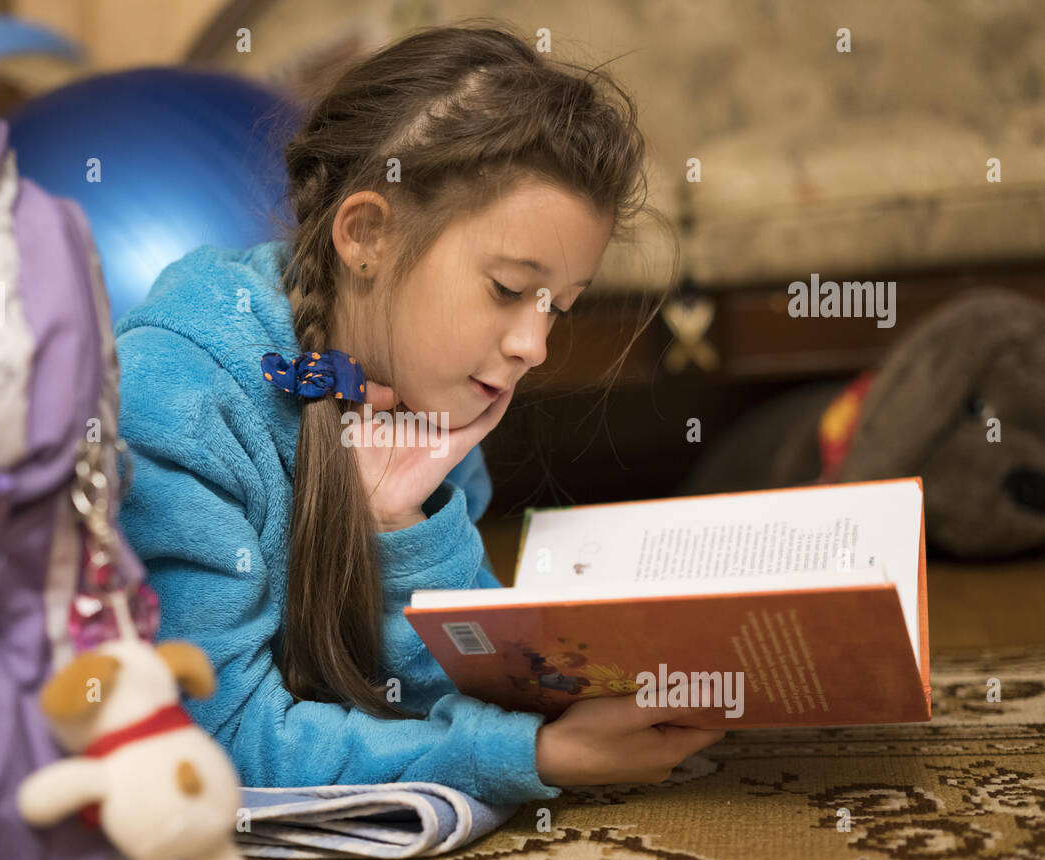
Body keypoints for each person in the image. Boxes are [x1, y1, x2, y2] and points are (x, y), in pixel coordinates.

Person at [114, 23, 723, 806]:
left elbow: (440, 687)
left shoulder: (424, 388)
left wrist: (402, 526)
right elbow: (215, 742)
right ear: (367, 235)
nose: (534, 346)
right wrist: (531, 753)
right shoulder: (176, 401)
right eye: (507, 289)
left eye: (558, 308)